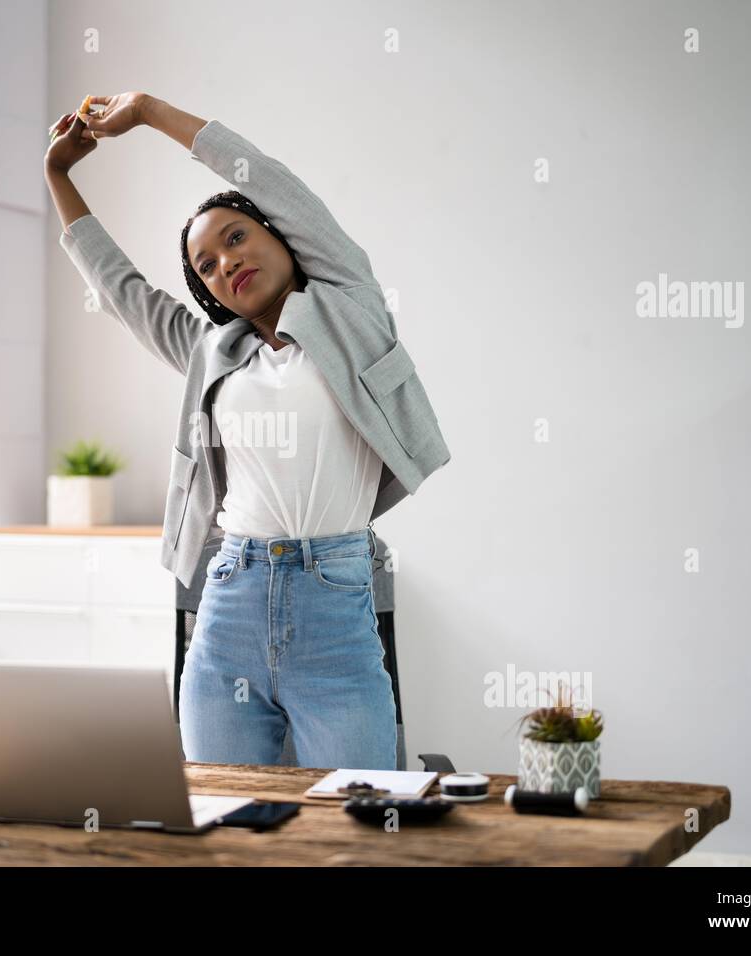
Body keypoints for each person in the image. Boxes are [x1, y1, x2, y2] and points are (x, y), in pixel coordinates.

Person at [43, 92, 450, 770]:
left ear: (280, 239)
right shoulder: (211, 353)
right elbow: (121, 289)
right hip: (228, 603)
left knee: (356, 826)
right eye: (207, 265)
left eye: (236, 238)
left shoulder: (350, 306)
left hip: (336, 609)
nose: (226, 262)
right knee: (223, 826)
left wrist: (144, 111)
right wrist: (59, 176)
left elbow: (261, 174)